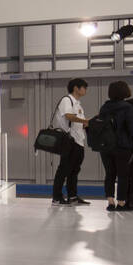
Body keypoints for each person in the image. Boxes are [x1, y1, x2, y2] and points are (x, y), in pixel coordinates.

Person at [97, 80, 133, 212]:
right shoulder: (127, 107)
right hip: (123, 146)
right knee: (123, 175)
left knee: (109, 173)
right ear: (124, 91)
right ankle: (121, 203)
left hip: (105, 147)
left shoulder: (104, 107)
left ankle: (110, 202)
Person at [51, 78, 91, 206]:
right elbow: (69, 116)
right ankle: (56, 198)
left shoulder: (77, 104)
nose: (85, 90)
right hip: (69, 141)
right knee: (63, 170)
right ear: (76, 88)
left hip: (79, 141)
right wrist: (85, 121)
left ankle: (72, 196)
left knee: (74, 170)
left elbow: (79, 122)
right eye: (84, 87)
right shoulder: (66, 100)